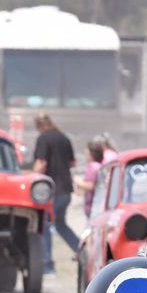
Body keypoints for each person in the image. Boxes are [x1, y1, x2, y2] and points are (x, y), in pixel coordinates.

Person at [33, 113, 77, 276]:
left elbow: (41, 164)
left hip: (51, 191)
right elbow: (72, 162)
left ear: (39, 126)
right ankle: (81, 251)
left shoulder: (43, 138)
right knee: (60, 225)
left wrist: (30, 177)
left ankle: (47, 265)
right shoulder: (64, 138)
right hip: (66, 189)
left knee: (44, 226)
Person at [73, 139, 105, 217]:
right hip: (99, 204)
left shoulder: (92, 167)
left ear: (91, 154)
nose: (85, 155)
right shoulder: (100, 166)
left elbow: (90, 186)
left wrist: (76, 180)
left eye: (86, 153)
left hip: (93, 206)